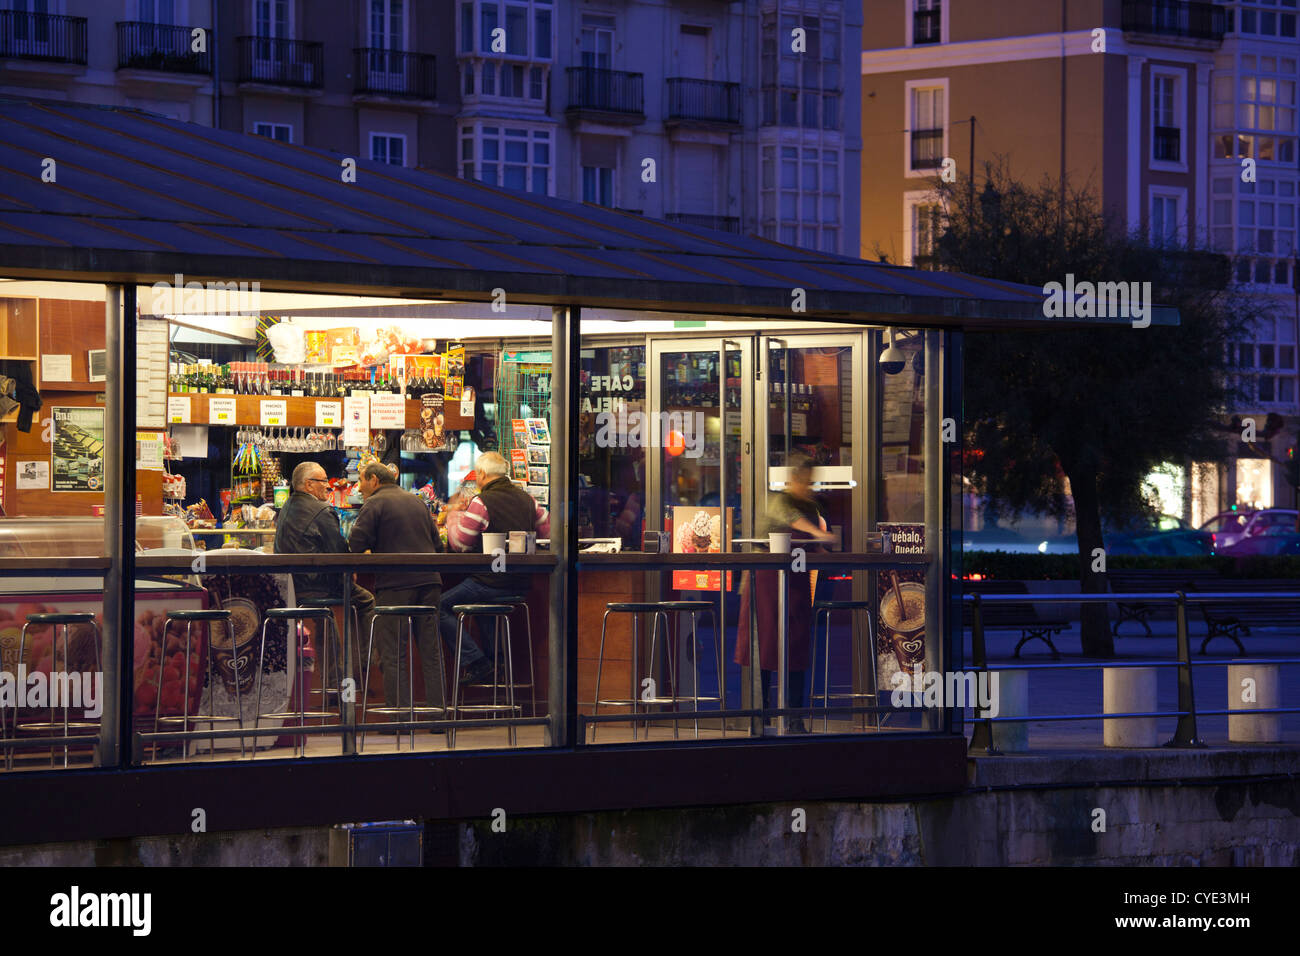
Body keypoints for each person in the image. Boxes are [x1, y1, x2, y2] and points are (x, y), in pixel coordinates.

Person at [734, 454, 836, 734]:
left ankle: (794, 716)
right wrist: (819, 534)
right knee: (765, 648)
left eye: (812, 481)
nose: (809, 486)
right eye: (805, 481)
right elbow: (794, 522)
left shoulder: (812, 506)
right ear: (793, 479)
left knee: (796, 648)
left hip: (797, 583)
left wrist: (825, 550)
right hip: (765, 581)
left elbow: (815, 546)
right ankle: (763, 714)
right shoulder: (777, 500)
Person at [348, 462, 447, 725]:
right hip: (429, 583)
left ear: (373, 480)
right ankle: (438, 719)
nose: (359, 487)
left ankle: (398, 719)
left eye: (361, 481)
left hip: (395, 585)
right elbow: (438, 546)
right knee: (431, 651)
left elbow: (355, 545)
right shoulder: (416, 502)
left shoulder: (374, 503)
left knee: (394, 653)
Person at [442, 451, 550, 684]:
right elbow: (549, 533)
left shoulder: (482, 502)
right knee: (482, 605)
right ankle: (497, 661)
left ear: (481, 475)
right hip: (521, 584)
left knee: (438, 606)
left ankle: (477, 661)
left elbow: (460, 544)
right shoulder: (528, 500)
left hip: (490, 581)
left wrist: (452, 519)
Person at [274, 461, 375, 693]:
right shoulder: (320, 510)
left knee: (326, 617)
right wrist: (350, 572)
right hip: (317, 584)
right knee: (366, 601)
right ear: (309, 485)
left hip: (292, 585)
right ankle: (362, 670)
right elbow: (339, 552)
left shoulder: (288, 506)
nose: (327, 488)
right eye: (323, 483)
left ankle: (334, 680)